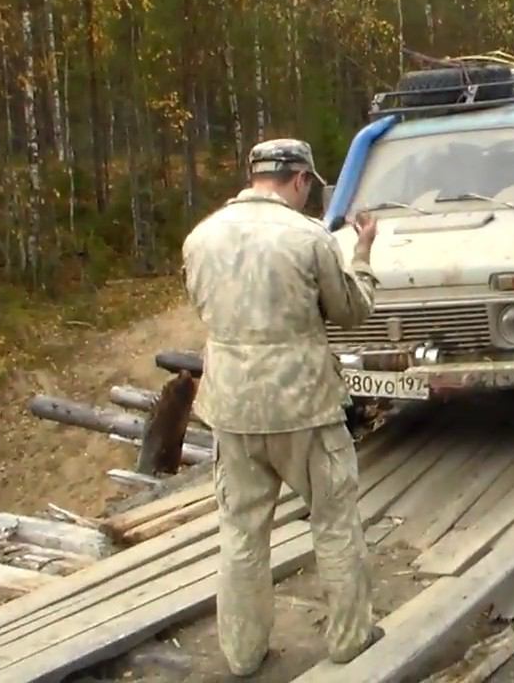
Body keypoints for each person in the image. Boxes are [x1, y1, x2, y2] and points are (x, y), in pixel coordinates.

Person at [181, 138, 383, 675]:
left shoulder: (200, 238)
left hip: (232, 410)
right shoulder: (309, 237)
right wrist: (363, 253)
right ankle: (350, 639)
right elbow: (352, 310)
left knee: (241, 533)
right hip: (304, 408)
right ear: (299, 180)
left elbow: (203, 306)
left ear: (254, 176)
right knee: (335, 523)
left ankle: (243, 654)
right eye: (308, 186)